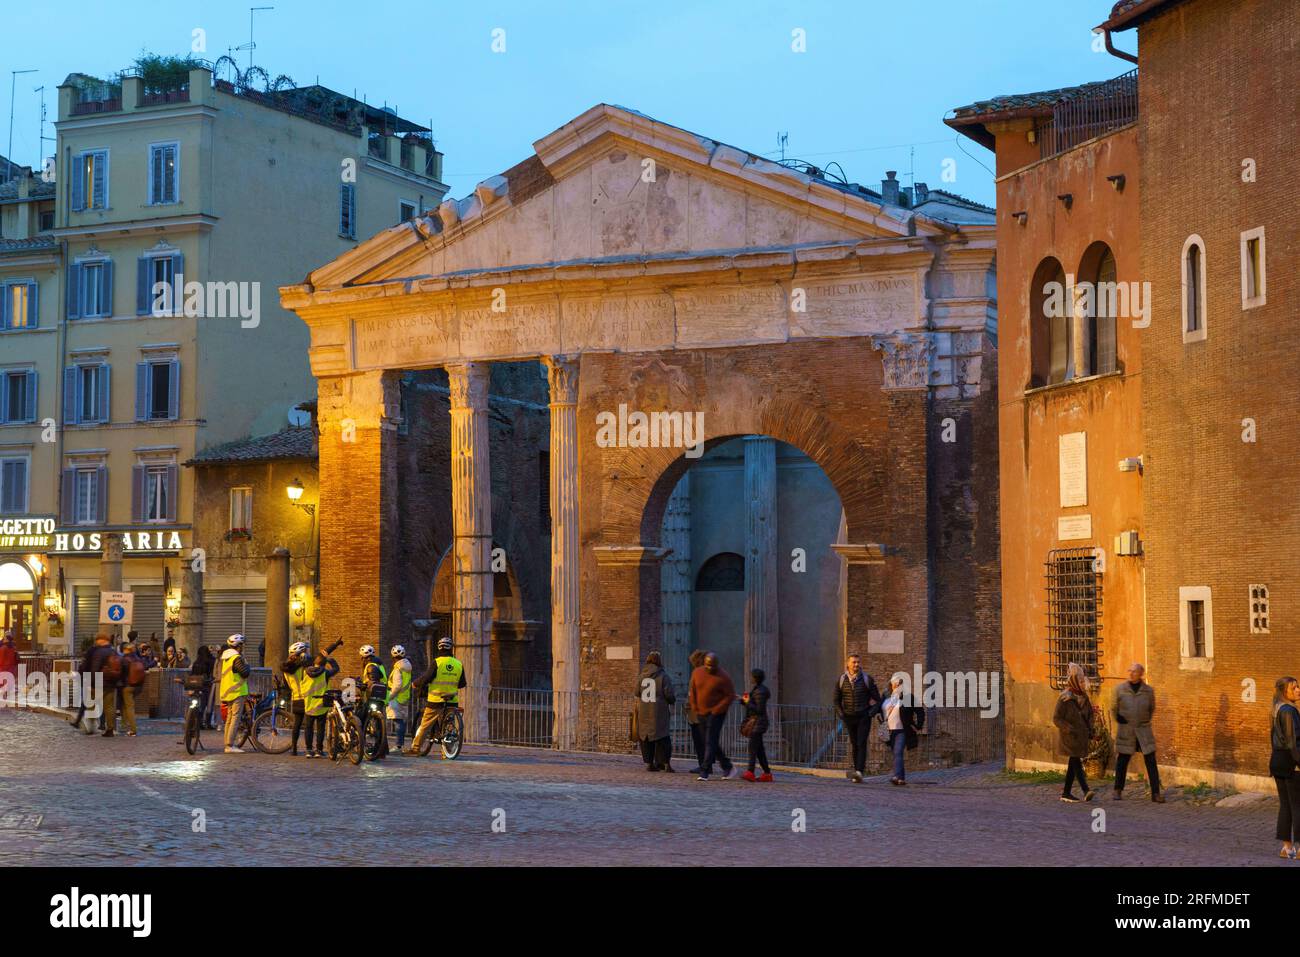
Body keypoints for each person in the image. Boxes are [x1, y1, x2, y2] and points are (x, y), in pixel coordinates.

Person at [407, 636, 466, 756]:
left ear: (439, 648)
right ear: (451, 649)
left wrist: (415, 684)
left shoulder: (437, 662)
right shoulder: (458, 664)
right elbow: (462, 683)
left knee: (425, 725)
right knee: (449, 726)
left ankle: (415, 748)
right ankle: (447, 752)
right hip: (452, 700)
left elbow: (426, 677)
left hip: (436, 699)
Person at [1113, 663, 1164, 803]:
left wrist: (1143, 720)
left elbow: (1151, 708)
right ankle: (1117, 790)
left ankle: (1155, 793)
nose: (1131, 674)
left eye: (1134, 671)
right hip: (1126, 730)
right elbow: (1114, 708)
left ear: (1141, 673)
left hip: (1143, 730)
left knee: (1151, 760)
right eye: (1129, 671)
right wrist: (1120, 718)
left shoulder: (1148, 691)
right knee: (1122, 761)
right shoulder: (1120, 690)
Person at [689, 651, 737, 781]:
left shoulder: (723, 677)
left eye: (712, 666)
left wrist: (717, 709)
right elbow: (692, 690)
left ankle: (704, 771)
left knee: (710, 740)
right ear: (704, 663)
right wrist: (694, 705)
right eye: (707, 666)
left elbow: (730, 695)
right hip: (701, 712)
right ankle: (727, 766)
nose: (710, 669)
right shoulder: (697, 673)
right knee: (709, 741)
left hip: (717, 713)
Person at [834, 653, 881, 783]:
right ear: (848, 664)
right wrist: (841, 714)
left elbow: (878, 700)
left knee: (861, 743)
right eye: (854, 662)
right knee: (854, 744)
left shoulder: (867, 679)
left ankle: (860, 771)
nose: (856, 665)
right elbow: (836, 700)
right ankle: (857, 770)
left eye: (858, 662)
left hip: (863, 716)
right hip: (849, 717)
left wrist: (870, 713)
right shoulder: (842, 680)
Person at [1053, 662, 1096, 802]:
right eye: (1080, 680)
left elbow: (1089, 715)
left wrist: (1091, 730)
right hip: (1070, 737)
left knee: (1073, 763)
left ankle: (1066, 793)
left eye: (1083, 680)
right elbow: (1056, 718)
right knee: (1076, 761)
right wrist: (1068, 728)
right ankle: (1086, 790)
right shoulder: (1065, 697)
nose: (1083, 683)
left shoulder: (1084, 697)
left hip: (1081, 736)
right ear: (1074, 681)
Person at [1270, 676, 1300, 860]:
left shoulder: (1275, 709)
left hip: (1278, 760)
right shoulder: (1289, 711)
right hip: (1291, 762)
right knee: (1297, 805)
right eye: (1294, 688)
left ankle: (1286, 848)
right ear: (1284, 692)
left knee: (1286, 805)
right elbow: (1293, 742)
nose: (1298, 690)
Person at [635, 651, 675, 772]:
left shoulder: (641, 676)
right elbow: (669, 694)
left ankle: (649, 763)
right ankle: (666, 764)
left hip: (644, 711)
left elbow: (637, 692)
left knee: (646, 738)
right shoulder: (663, 676)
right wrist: (671, 700)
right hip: (659, 711)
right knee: (663, 737)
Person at [882, 675, 925, 786]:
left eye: (899, 683)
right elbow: (878, 708)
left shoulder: (908, 697)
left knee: (898, 751)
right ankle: (901, 778)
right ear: (891, 684)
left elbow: (920, 711)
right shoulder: (886, 697)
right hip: (889, 730)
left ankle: (896, 776)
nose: (897, 685)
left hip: (902, 730)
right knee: (896, 754)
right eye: (895, 683)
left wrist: (918, 725)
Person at [74, 634, 119, 736]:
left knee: (91, 704)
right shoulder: (113, 651)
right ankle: (110, 729)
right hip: (111, 682)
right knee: (109, 707)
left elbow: (95, 668)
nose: (97, 641)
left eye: (98, 640)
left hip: (99, 682)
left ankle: (90, 728)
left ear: (102, 640)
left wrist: (91, 683)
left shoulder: (99, 652)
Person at [301, 645, 340, 758]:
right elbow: (336, 669)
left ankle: (308, 750)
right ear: (323, 664)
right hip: (321, 704)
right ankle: (319, 750)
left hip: (309, 703)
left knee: (308, 727)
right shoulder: (325, 673)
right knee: (320, 728)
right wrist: (330, 660)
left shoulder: (305, 672)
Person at [219, 634, 252, 754]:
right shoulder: (236, 658)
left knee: (229, 718)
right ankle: (229, 745)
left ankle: (227, 743)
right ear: (238, 646)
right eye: (242, 645)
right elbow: (244, 673)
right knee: (235, 719)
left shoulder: (226, 657)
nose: (242, 648)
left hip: (228, 691)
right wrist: (248, 667)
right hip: (237, 691)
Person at [281, 641, 313, 757]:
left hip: (296, 698)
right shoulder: (303, 667)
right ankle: (309, 749)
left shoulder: (285, 669)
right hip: (307, 697)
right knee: (309, 725)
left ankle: (294, 749)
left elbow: (286, 686)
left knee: (297, 725)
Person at [740, 668, 772, 782]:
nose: (751, 678)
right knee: (759, 750)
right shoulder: (757, 690)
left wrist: (747, 702)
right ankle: (767, 773)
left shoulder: (760, 691)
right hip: (758, 722)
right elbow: (753, 705)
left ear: (755, 678)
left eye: (752, 676)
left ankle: (750, 771)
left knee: (752, 748)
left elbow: (759, 709)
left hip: (758, 723)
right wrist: (744, 701)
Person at [683, 650, 708, 774]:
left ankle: (703, 765)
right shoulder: (708, 673)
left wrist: (687, 705)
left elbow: (692, 693)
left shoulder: (697, 673)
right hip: (704, 712)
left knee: (699, 742)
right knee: (705, 741)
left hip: (696, 713)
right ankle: (706, 765)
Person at [386, 644, 413, 753]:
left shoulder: (398, 668)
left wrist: (389, 696)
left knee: (398, 722)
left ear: (393, 657)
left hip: (397, 697)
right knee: (401, 721)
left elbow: (397, 685)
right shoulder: (407, 667)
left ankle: (398, 746)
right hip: (404, 697)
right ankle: (400, 745)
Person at [118, 641, 148, 737]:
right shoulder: (138, 659)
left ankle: (133, 729)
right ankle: (124, 725)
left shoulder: (124, 659)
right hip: (137, 686)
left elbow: (120, 673)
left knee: (129, 707)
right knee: (124, 705)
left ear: (126, 650)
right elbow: (145, 666)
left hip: (127, 686)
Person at [190, 645, 217, 729]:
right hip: (208, 685)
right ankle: (208, 723)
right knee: (209, 705)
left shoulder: (196, 662)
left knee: (200, 705)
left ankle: (199, 723)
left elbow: (193, 674)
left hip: (198, 686)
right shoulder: (211, 661)